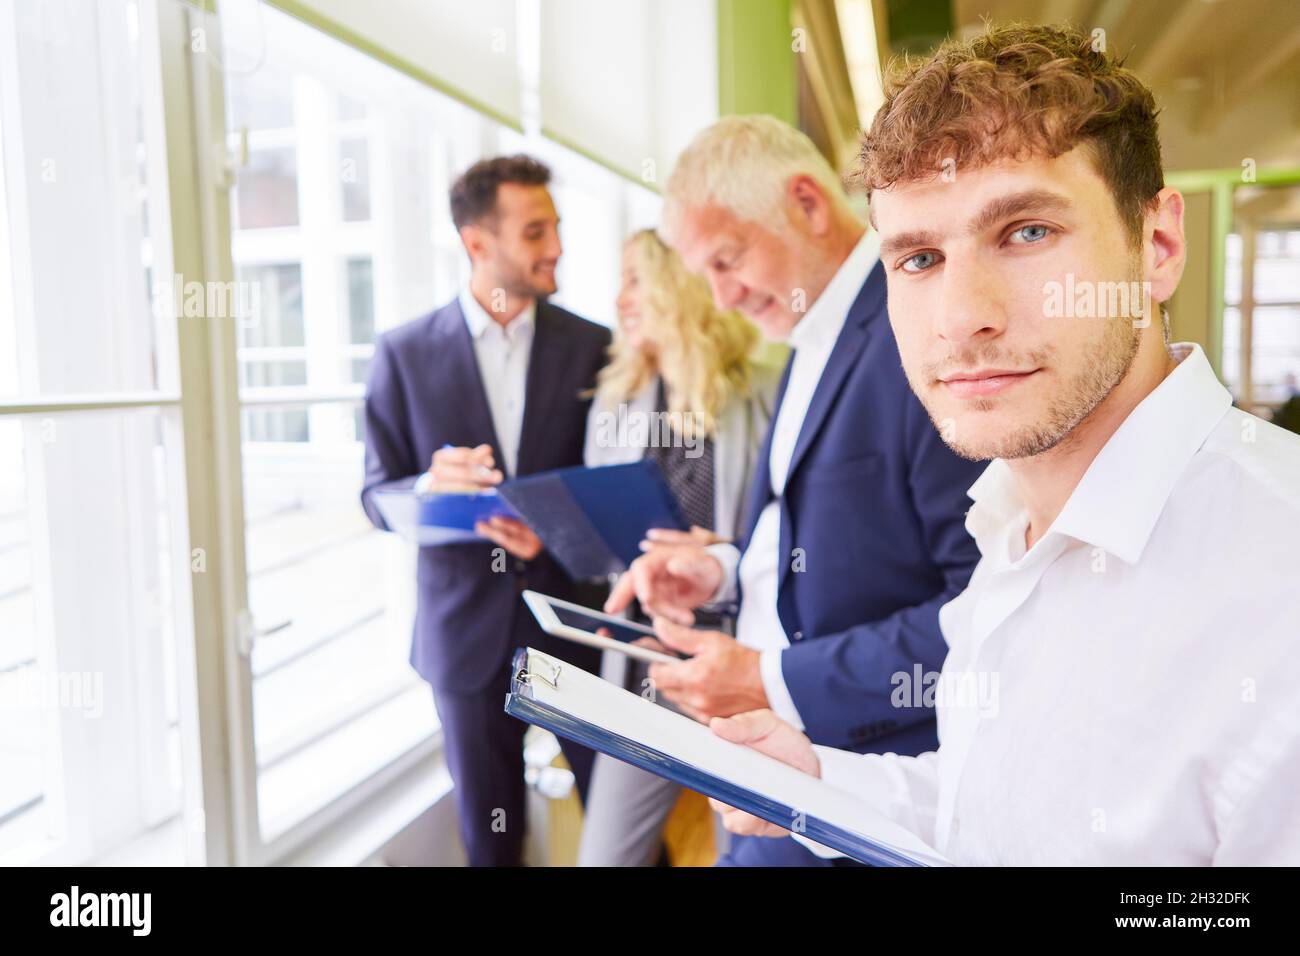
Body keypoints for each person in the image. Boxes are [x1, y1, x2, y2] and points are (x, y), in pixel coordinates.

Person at [708, 24, 1300, 865]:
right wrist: (820, 779)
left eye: (1026, 232)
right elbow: (990, 806)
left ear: (1157, 247)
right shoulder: (1007, 519)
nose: (961, 318)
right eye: (919, 259)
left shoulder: (1278, 585)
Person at [604, 116, 986, 866]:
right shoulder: (808, 336)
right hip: (769, 764)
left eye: (727, 260)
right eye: (706, 275)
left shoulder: (918, 339)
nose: (722, 297)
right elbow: (818, 533)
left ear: (807, 203)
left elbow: (982, 611)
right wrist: (722, 567)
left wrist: (770, 678)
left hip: (863, 778)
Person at [360, 155, 611, 866]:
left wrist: (558, 529)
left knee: (624, 834)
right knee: (491, 844)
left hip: (577, 623)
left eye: (555, 227)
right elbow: (376, 495)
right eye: (534, 233)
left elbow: (617, 485)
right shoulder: (403, 354)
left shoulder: (596, 348)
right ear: (477, 243)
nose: (556, 247)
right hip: (464, 639)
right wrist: (426, 488)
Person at [577, 228, 785, 866]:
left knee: (741, 851)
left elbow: (793, 527)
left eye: (635, 281)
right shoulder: (616, 401)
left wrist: (723, 551)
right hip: (646, 661)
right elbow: (602, 529)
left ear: (678, 286)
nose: (620, 299)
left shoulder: (764, 388)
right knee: (605, 855)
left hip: (734, 658)